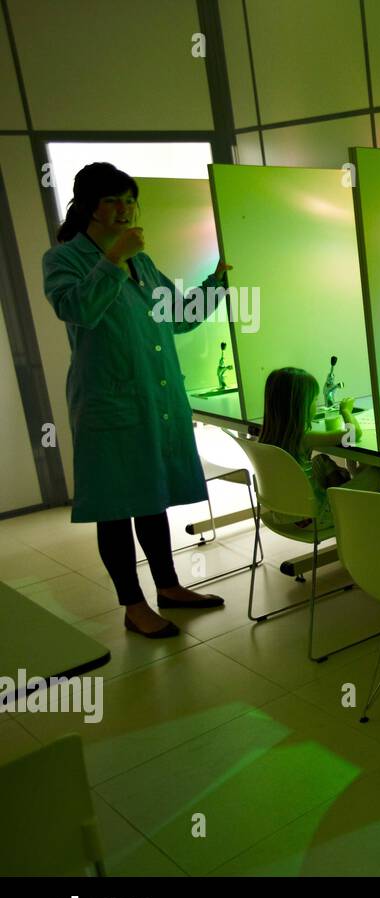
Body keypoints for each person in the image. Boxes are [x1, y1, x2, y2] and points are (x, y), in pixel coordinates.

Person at [42, 162, 231, 639]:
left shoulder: (141, 261)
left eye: (129, 199)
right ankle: (133, 604)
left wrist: (216, 283)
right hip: (109, 403)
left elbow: (178, 316)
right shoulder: (64, 258)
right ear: (89, 205)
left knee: (153, 498)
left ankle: (168, 587)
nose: (124, 209)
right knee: (115, 505)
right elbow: (77, 309)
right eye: (113, 200)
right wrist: (111, 261)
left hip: (154, 396)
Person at [255, 367, 380, 530]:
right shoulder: (303, 437)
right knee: (376, 474)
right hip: (312, 517)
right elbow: (353, 435)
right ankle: (345, 504)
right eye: (314, 400)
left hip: (281, 512)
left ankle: (340, 495)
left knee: (321, 460)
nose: (317, 404)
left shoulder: (268, 434)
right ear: (300, 406)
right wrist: (346, 411)